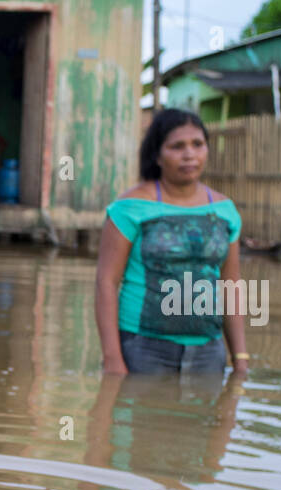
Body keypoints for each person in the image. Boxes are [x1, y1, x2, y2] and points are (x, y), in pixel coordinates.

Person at [95, 109, 251, 376]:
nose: (189, 154)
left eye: (197, 145)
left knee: (205, 417)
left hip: (208, 352)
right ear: (157, 155)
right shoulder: (130, 208)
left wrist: (240, 358)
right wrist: (112, 358)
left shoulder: (225, 211)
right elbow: (106, 282)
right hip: (142, 348)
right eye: (177, 146)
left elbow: (231, 285)